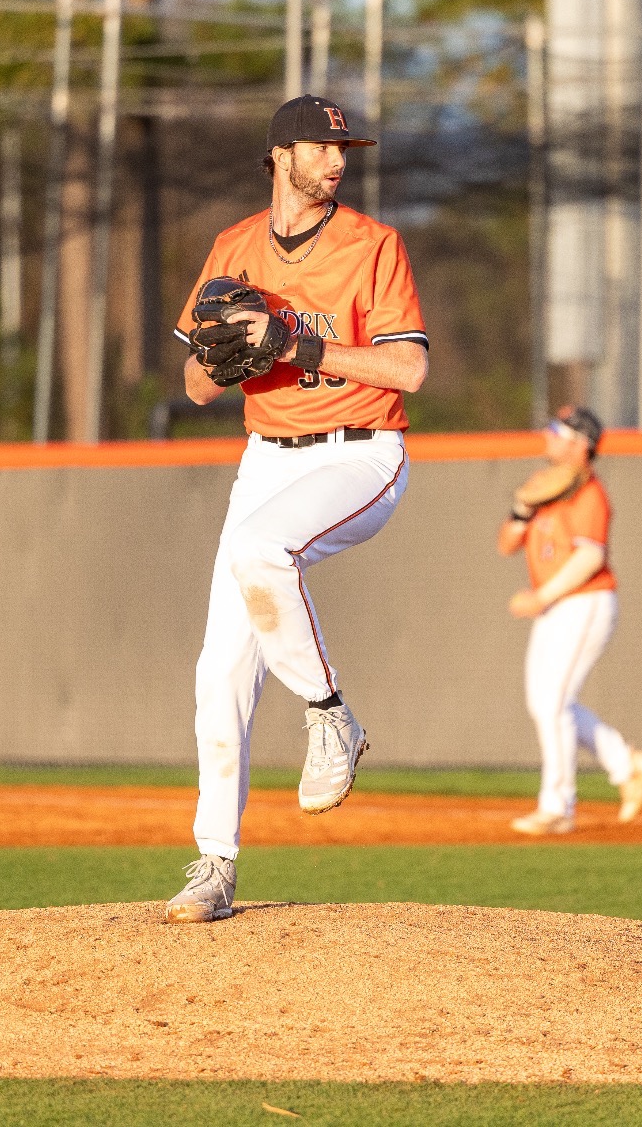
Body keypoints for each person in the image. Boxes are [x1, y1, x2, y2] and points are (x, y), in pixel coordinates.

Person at [164, 95, 430, 924]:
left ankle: (328, 715)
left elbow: (409, 374)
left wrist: (295, 343)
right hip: (265, 458)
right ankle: (214, 863)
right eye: (322, 146)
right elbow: (195, 387)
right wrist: (228, 351)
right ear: (281, 155)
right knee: (220, 670)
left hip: (361, 451)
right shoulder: (234, 248)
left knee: (259, 549)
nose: (338, 159)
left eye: (344, 146)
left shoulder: (373, 245)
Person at [497, 406, 642, 834]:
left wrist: (543, 595)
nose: (547, 436)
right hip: (554, 606)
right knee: (546, 703)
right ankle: (627, 763)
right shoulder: (548, 489)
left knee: (552, 703)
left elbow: (590, 556)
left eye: (557, 431)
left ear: (579, 444)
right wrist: (519, 509)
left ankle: (558, 807)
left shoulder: (590, 493)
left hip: (585, 601)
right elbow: (507, 544)